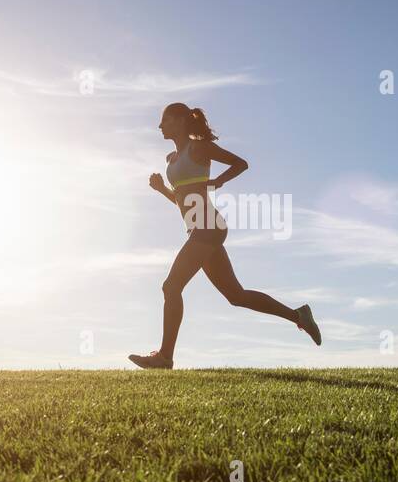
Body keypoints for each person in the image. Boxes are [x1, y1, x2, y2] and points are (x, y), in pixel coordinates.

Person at [128, 103, 321, 369]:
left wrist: (218, 181)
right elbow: (182, 202)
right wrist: (162, 189)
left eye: (165, 120)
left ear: (181, 121)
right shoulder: (170, 160)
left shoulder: (199, 147)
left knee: (171, 287)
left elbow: (241, 163)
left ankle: (164, 357)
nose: (160, 126)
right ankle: (299, 315)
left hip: (209, 225)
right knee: (236, 296)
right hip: (199, 227)